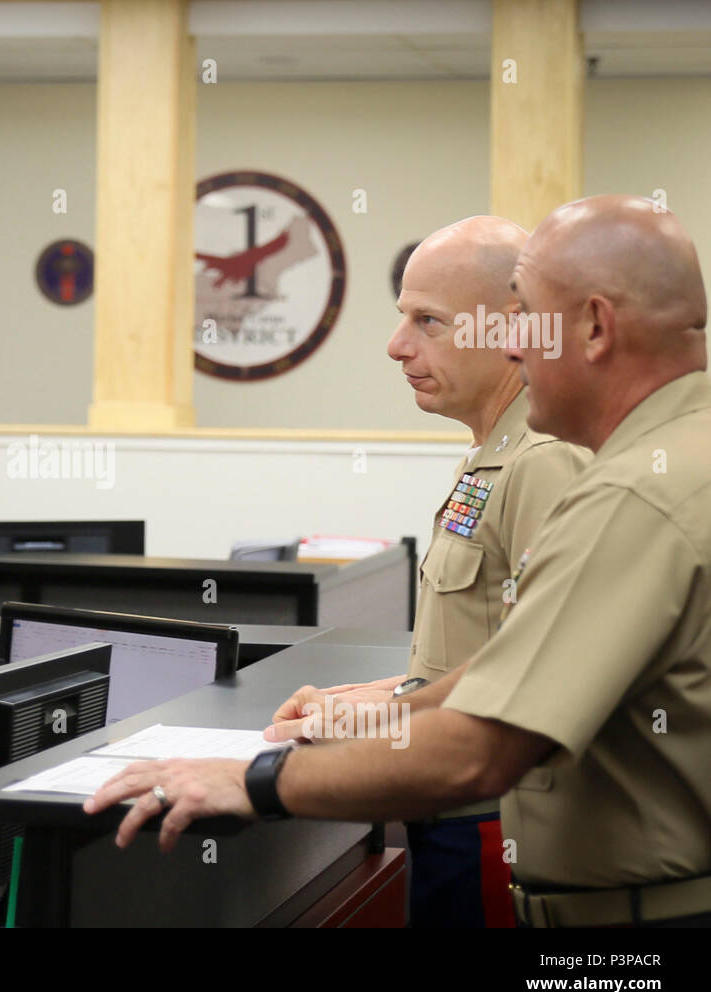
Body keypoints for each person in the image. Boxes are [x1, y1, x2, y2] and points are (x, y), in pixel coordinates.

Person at [85, 194, 711, 927]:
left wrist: (258, 781)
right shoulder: (676, 460)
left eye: (526, 322)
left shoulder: (635, 494)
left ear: (596, 327)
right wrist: (375, 717)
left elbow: (484, 748)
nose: (514, 347)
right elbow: (513, 668)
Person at [270, 216, 589, 927]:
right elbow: (487, 645)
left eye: (428, 322)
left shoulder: (543, 461)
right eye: (402, 318)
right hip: (452, 808)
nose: (396, 345)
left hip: (494, 823)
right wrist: (377, 696)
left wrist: (381, 716)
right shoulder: (495, 451)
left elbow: (546, 673)